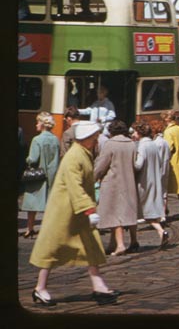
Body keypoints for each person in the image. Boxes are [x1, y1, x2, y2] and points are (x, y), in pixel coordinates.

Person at [29, 121, 119, 307]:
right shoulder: (74, 157)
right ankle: (40, 288)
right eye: (94, 138)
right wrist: (88, 208)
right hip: (65, 212)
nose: (96, 141)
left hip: (76, 212)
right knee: (52, 249)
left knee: (90, 246)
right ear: (86, 139)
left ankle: (99, 285)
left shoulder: (82, 153)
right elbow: (74, 186)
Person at [93, 119, 138, 256]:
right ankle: (113, 243)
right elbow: (135, 164)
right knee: (119, 212)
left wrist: (92, 178)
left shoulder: (110, 144)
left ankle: (120, 245)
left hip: (112, 183)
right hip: (128, 182)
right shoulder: (131, 144)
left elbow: (101, 165)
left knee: (114, 213)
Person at [22, 112, 61, 238]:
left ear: (43, 125)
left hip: (37, 175)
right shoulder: (55, 140)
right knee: (49, 202)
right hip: (52, 174)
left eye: (38, 122)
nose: (36, 124)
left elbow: (33, 159)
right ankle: (47, 229)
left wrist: (27, 160)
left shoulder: (37, 140)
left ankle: (30, 228)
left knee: (32, 202)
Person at [133, 121, 169, 248]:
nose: (133, 134)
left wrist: (131, 160)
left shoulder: (142, 146)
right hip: (154, 180)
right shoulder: (153, 145)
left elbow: (138, 165)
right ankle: (159, 233)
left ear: (140, 133)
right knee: (148, 210)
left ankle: (160, 231)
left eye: (135, 132)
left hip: (144, 181)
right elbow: (159, 162)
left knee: (143, 211)